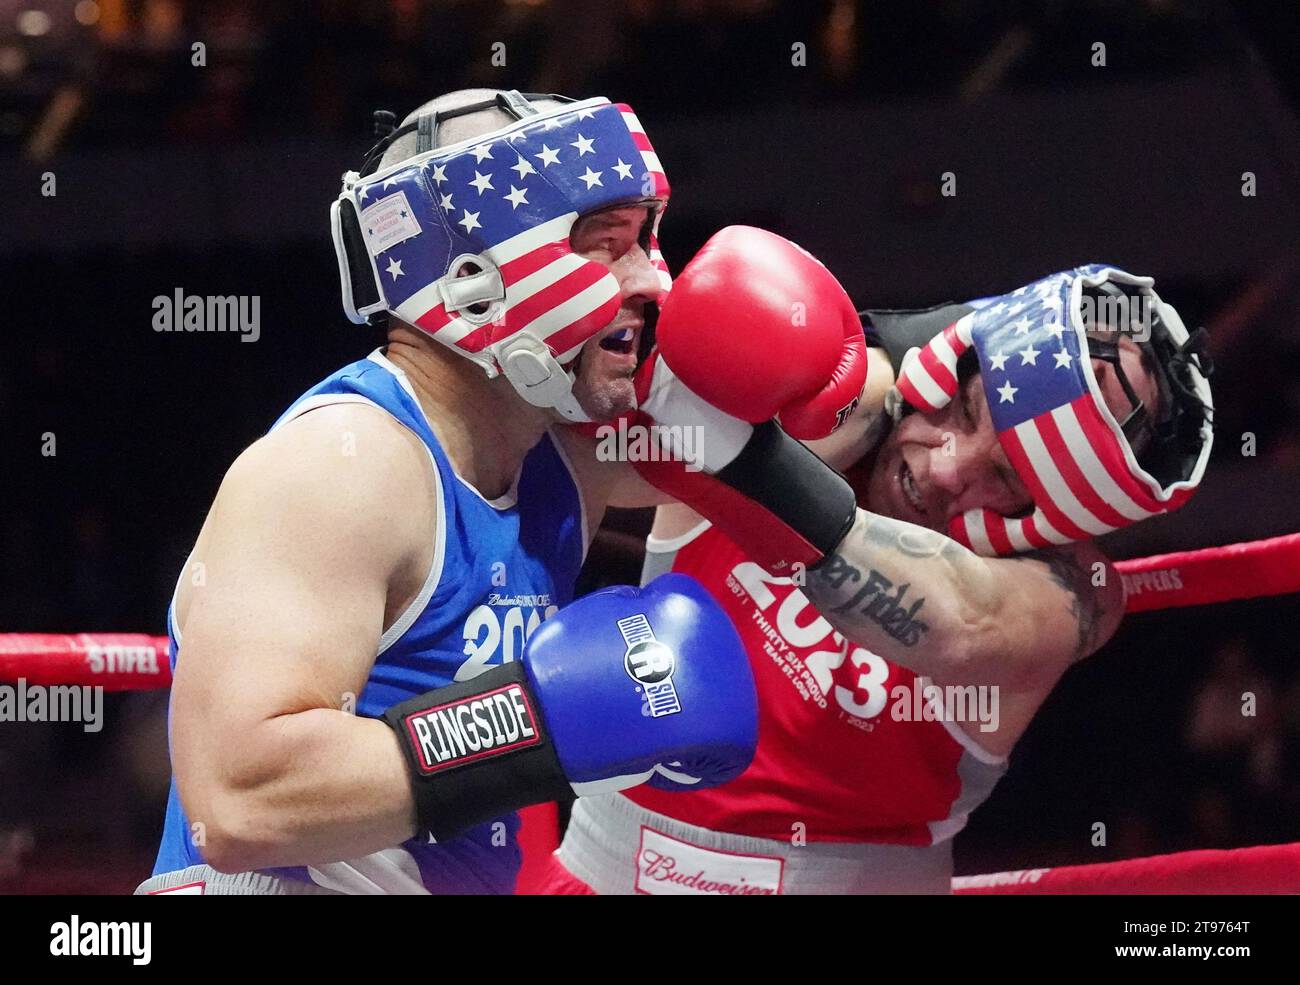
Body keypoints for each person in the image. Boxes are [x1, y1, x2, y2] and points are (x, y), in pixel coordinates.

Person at [136, 89, 867, 895]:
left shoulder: (564, 453)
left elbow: (832, 424)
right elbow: (239, 802)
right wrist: (542, 720)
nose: (654, 281)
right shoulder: (341, 467)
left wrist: (911, 347)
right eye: (606, 246)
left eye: (648, 239)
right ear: (472, 281)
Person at [537, 266, 1216, 894]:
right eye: (968, 411)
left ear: (1056, 517)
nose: (946, 468)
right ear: (951, 361)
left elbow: (959, 621)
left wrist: (728, 452)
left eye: (1005, 478)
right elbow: (604, 458)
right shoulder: (839, 398)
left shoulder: (1071, 592)